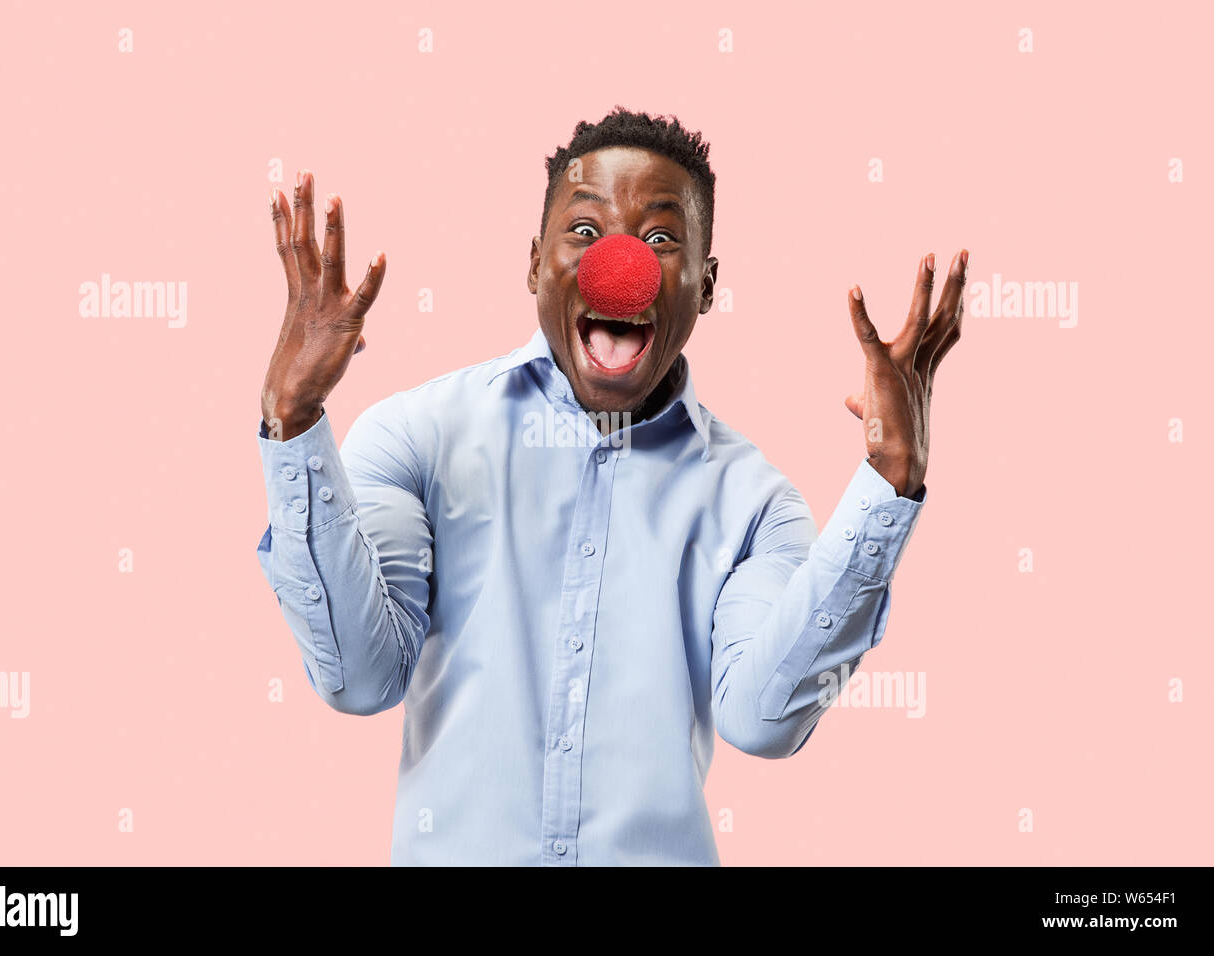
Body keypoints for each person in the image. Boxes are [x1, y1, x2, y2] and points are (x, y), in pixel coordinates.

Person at [255, 106, 965, 866]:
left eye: (660, 240)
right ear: (534, 263)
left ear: (707, 285)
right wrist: (295, 423)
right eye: (585, 234)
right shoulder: (414, 437)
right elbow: (360, 679)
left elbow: (765, 721)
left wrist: (889, 483)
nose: (617, 273)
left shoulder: (756, 503)